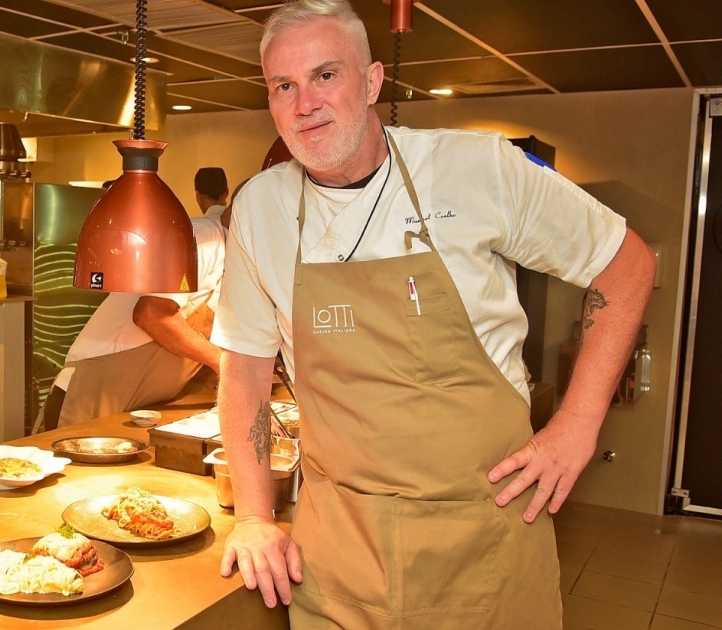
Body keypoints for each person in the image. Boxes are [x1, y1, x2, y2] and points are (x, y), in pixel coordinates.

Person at [211, 1, 656, 627]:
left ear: (371, 83)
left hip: (486, 538)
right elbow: (247, 367)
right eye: (284, 85)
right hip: (340, 554)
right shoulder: (260, 208)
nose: (304, 102)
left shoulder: (477, 169)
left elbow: (627, 264)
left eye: (326, 75)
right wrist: (255, 517)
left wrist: (579, 421)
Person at [43, 212, 228, 429]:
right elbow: (151, 314)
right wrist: (221, 362)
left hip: (136, 405)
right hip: (91, 396)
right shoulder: (204, 239)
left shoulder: (231, 258)